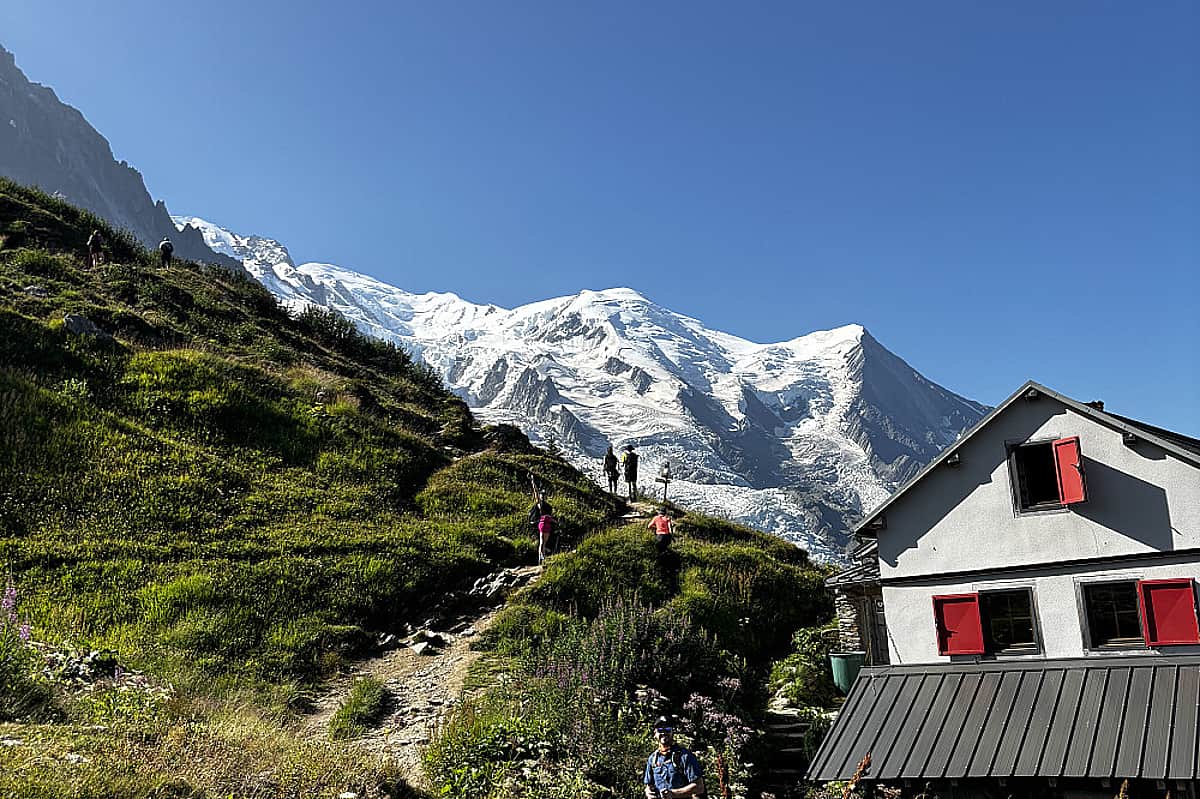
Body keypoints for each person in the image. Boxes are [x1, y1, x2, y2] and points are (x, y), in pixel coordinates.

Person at [644, 716, 705, 799]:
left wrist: (673, 793)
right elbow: (649, 786)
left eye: (667, 730)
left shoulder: (685, 756)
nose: (664, 733)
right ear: (655, 733)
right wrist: (648, 792)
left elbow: (699, 787)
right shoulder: (653, 758)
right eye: (660, 730)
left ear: (673, 732)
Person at [528, 494, 554, 564]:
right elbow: (550, 517)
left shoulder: (539, 505)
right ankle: (542, 557)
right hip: (546, 524)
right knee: (543, 542)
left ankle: (541, 557)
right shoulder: (547, 507)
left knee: (542, 542)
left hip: (541, 524)